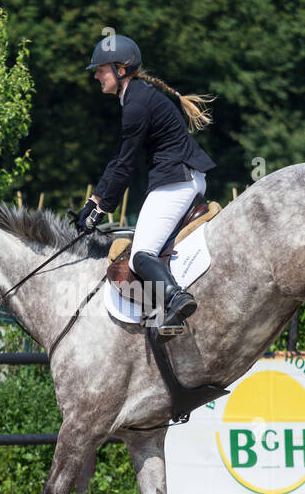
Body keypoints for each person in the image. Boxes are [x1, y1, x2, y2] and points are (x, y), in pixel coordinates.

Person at [76, 36, 216, 337]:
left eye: (101, 69)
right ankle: (161, 311)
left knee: (141, 253)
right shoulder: (135, 97)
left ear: (121, 69)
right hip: (178, 177)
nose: (97, 75)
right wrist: (94, 201)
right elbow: (119, 159)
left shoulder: (137, 103)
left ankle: (176, 300)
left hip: (177, 181)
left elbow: (125, 166)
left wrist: (100, 211)